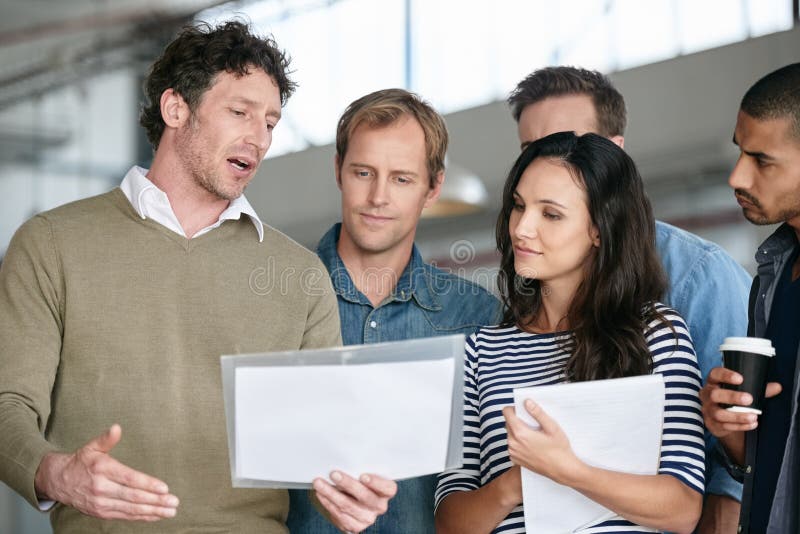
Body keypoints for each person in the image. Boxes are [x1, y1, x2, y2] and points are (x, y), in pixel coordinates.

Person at [0, 21, 395, 533]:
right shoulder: (52, 243)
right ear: (175, 109)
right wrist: (54, 473)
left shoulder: (299, 275)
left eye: (272, 122)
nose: (260, 138)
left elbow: (322, 448)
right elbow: (8, 405)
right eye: (240, 112)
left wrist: (347, 493)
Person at [507, 66, 752, 531]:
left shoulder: (697, 276)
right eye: (532, 150)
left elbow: (737, 434)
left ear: (612, 153)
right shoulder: (521, 296)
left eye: (569, 141)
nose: (553, 159)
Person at [434, 131, 705, 533]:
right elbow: (449, 523)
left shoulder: (658, 334)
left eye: (551, 214)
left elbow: (683, 510)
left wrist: (568, 470)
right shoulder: (480, 351)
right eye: (519, 206)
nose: (522, 228)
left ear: (599, 228)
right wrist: (514, 482)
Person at [287, 89, 500, 533]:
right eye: (364, 172)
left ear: (433, 187)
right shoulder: (278, 304)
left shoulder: (478, 317)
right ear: (339, 171)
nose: (378, 197)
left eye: (402, 179)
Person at [700, 62, 800, 534]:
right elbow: (765, 462)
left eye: (761, 160)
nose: (737, 176)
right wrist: (731, 429)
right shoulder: (772, 275)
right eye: (740, 152)